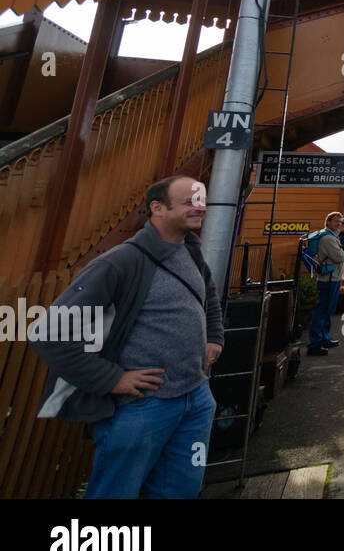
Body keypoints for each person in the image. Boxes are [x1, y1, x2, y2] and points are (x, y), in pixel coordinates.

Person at [31, 174, 224, 498]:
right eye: (190, 201)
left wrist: (214, 337)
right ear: (157, 208)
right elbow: (49, 332)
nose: (200, 207)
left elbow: (209, 296)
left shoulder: (191, 252)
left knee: (181, 492)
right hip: (141, 406)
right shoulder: (121, 261)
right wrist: (111, 379)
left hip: (196, 400)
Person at [307, 212, 344, 356]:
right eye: (336, 221)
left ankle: (324, 338)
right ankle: (315, 343)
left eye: (340, 222)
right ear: (328, 222)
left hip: (333, 278)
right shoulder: (328, 238)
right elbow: (339, 257)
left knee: (328, 310)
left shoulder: (331, 237)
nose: (338, 224)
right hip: (329, 280)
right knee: (322, 311)